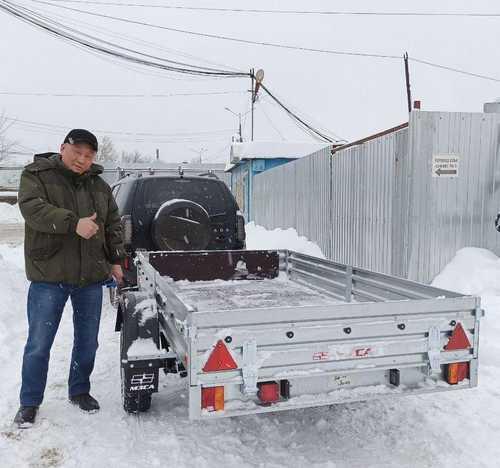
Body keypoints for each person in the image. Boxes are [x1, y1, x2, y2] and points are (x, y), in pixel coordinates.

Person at [13, 129, 125, 428]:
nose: (82, 159)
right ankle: (29, 402)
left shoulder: (100, 187)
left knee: (88, 341)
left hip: (89, 277)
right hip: (49, 275)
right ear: (63, 148)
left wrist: (115, 260)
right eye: (77, 152)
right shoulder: (37, 175)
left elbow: (113, 225)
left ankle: (80, 390)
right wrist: (72, 223)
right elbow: (32, 209)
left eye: (89, 156)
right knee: (39, 342)